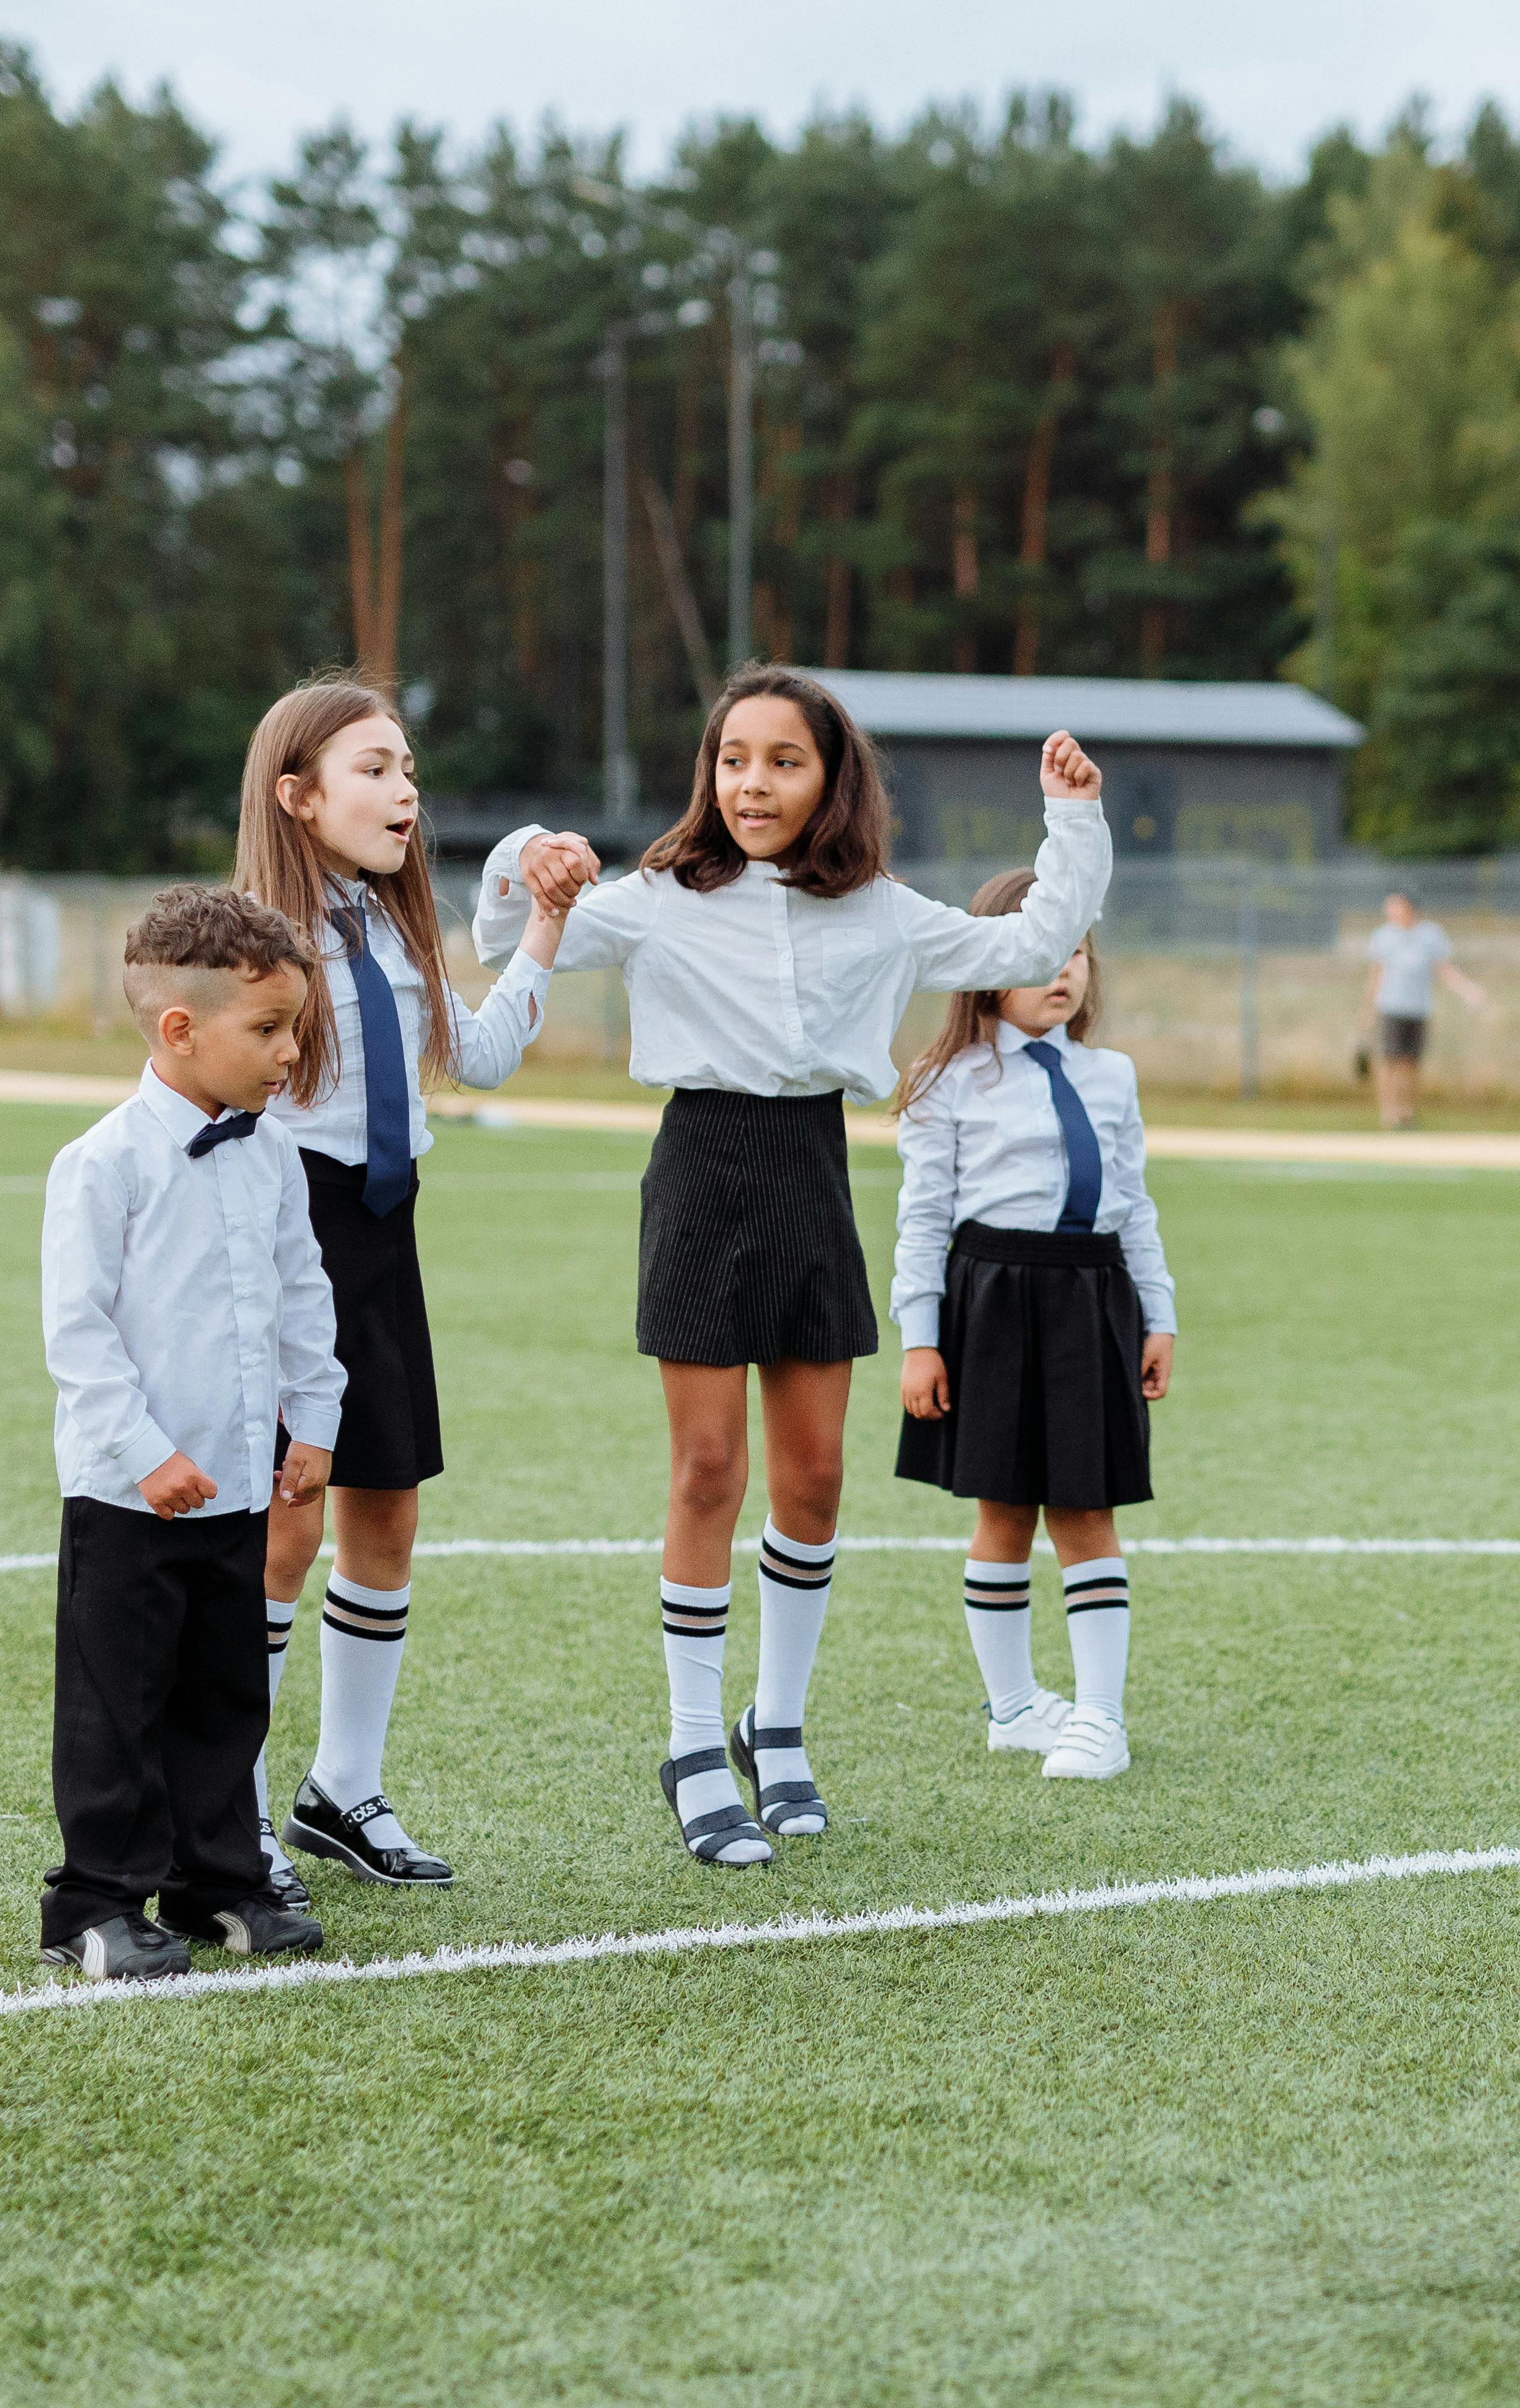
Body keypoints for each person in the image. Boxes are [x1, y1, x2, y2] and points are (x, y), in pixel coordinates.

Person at [478, 665, 1110, 1869]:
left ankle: (775, 1726)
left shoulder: (877, 909)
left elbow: (1030, 938)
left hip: (812, 1174)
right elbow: (514, 933)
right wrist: (535, 856)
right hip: (702, 1170)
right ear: (707, 774)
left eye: (782, 760)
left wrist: (1071, 822)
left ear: (831, 780)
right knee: (710, 1466)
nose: (752, 782)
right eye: (732, 759)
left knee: (814, 1478)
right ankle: (687, 1747)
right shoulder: (657, 896)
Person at [230, 674, 577, 1906]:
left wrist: (539, 928)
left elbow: (473, 1055)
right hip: (289, 1237)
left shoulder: (388, 926)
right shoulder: (254, 943)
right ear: (297, 794)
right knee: (284, 1524)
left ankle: (341, 1791)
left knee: (386, 1517)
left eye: (408, 769)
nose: (404, 791)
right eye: (373, 768)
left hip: (384, 1237)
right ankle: (231, 1811)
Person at [36, 886, 342, 1979]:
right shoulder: (102, 1164)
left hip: (241, 1493)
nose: (289, 1052)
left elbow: (303, 1296)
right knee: (120, 1707)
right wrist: (145, 1453)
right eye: (268, 1030)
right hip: (131, 1498)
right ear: (179, 1029)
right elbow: (78, 1337)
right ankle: (95, 1905)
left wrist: (314, 1422)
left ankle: (219, 1881)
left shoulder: (271, 1155)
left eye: (294, 1028)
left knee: (225, 1697)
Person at [891, 871, 1176, 1782]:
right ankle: (1013, 1707)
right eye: (1038, 951)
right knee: (1003, 1510)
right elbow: (922, 1218)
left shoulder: (1112, 1075)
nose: (1063, 968)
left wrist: (1157, 1313)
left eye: (1076, 949)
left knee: (1085, 1509)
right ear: (985, 965)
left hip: (1090, 1299)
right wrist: (920, 1336)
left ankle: (1101, 1716)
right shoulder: (946, 1080)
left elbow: (1133, 1205)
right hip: (990, 1301)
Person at [1359, 890, 1491, 1130]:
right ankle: (1389, 1113)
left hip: (1418, 1008)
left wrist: (1468, 990)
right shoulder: (1383, 937)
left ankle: (1407, 1112)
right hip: (1391, 1006)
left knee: (1411, 1061)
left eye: (1394, 906)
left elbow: (1443, 970)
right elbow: (1375, 976)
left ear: (1408, 906)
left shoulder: (1430, 935)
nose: (1389, 911)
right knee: (1390, 1060)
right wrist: (1368, 1010)